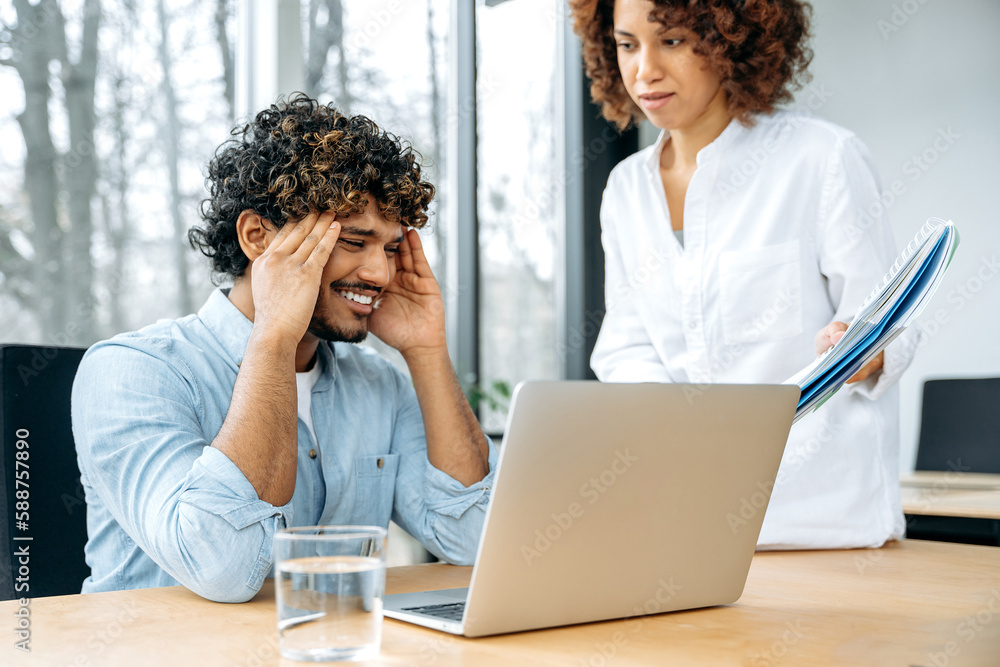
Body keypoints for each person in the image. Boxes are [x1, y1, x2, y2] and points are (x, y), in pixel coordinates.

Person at [71, 94, 496, 602]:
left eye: (389, 247)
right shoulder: (133, 372)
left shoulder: (380, 384)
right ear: (257, 237)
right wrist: (273, 337)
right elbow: (223, 569)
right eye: (355, 242)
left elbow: (473, 541)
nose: (380, 273)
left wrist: (426, 351)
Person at [569, 0, 918, 549]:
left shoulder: (820, 159)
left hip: (825, 530)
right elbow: (627, 346)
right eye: (628, 44)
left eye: (674, 41)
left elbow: (892, 323)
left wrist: (866, 347)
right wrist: (673, 423)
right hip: (691, 530)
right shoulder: (626, 189)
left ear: (732, 38)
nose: (644, 70)